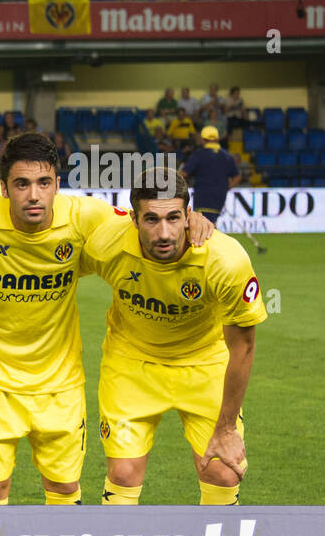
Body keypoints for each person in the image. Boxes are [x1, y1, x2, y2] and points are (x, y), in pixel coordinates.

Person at [0, 134, 214, 504]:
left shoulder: (87, 216)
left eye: (43, 183)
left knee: (64, 488)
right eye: (21, 184)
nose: (34, 195)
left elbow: (148, 224)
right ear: (3, 188)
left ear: (58, 184)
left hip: (61, 381)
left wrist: (192, 218)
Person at [83, 170, 266, 504]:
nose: (163, 232)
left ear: (188, 215)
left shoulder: (224, 260)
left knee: (222, 470)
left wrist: (226, 428)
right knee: (123, 473)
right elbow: (47, 266)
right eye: (151, 219)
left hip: (204, 362)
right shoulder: (105, 245)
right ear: (133, 219)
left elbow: (244, 344)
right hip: (131, 362)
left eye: (173, 217)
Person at [183, 125, 241, 222]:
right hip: (220, 196)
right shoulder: (227, 156)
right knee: (211, 221)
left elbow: (184, 173)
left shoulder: (199, 154)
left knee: (205, 224)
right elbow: (237, 177)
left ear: (203, 139)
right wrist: (225, 187)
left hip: (203, 195)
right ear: (217, 138)